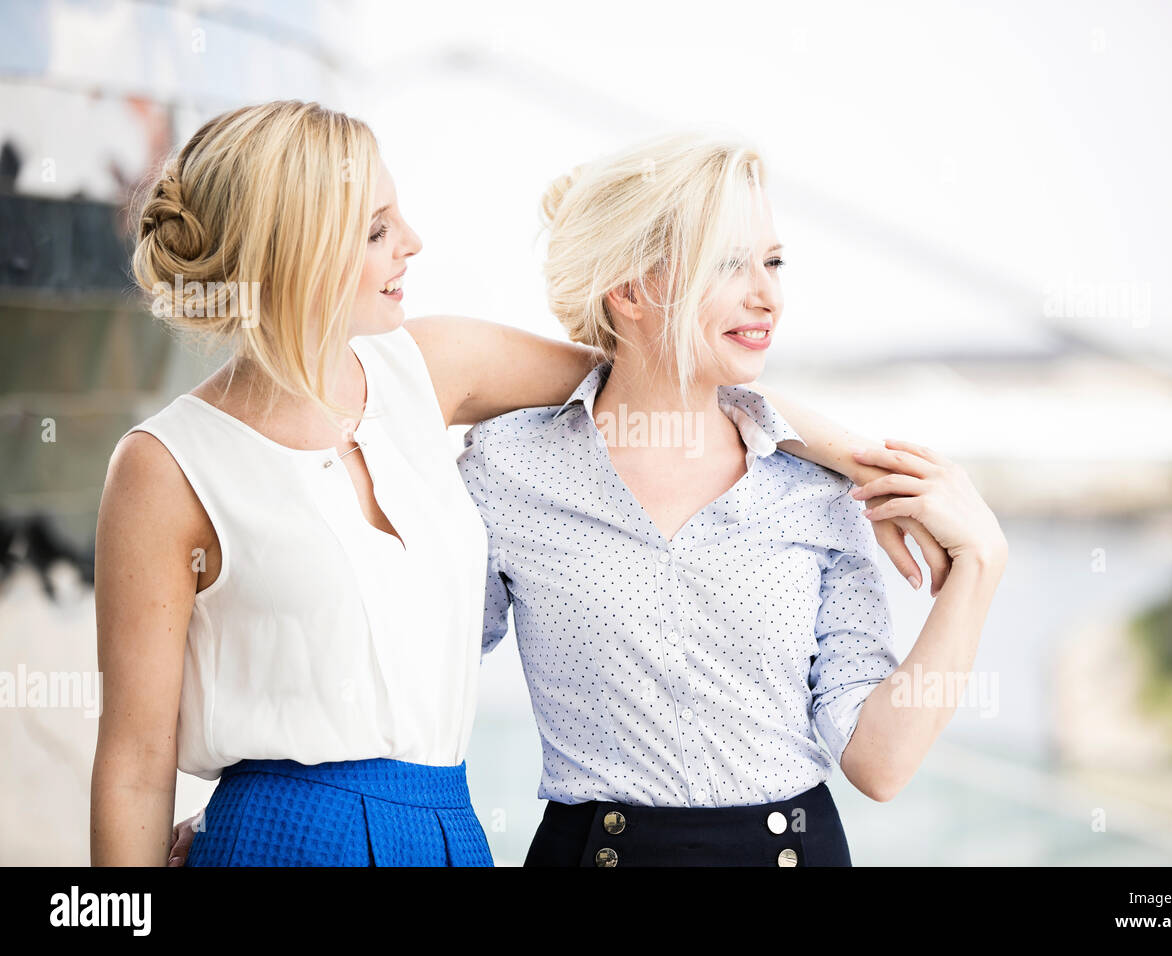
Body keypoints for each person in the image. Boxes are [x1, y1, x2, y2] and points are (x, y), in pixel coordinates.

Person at [94, 101, 946, 867]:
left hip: (446, 829)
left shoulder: (430, 368)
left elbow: (662, 372)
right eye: (378, 229)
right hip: (278, 840)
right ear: (300, 251)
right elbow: (133, 762)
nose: (415, 243)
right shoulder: (164, 467)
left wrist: (867, 466)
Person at [456, 132, 1008, 866]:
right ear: (630, 290)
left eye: (773, 262)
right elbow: (429, 672)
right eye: (729, 264)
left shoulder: (813, 487)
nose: (767, 294)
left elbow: (880, 763)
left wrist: (981, 566)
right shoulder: (510, 469)